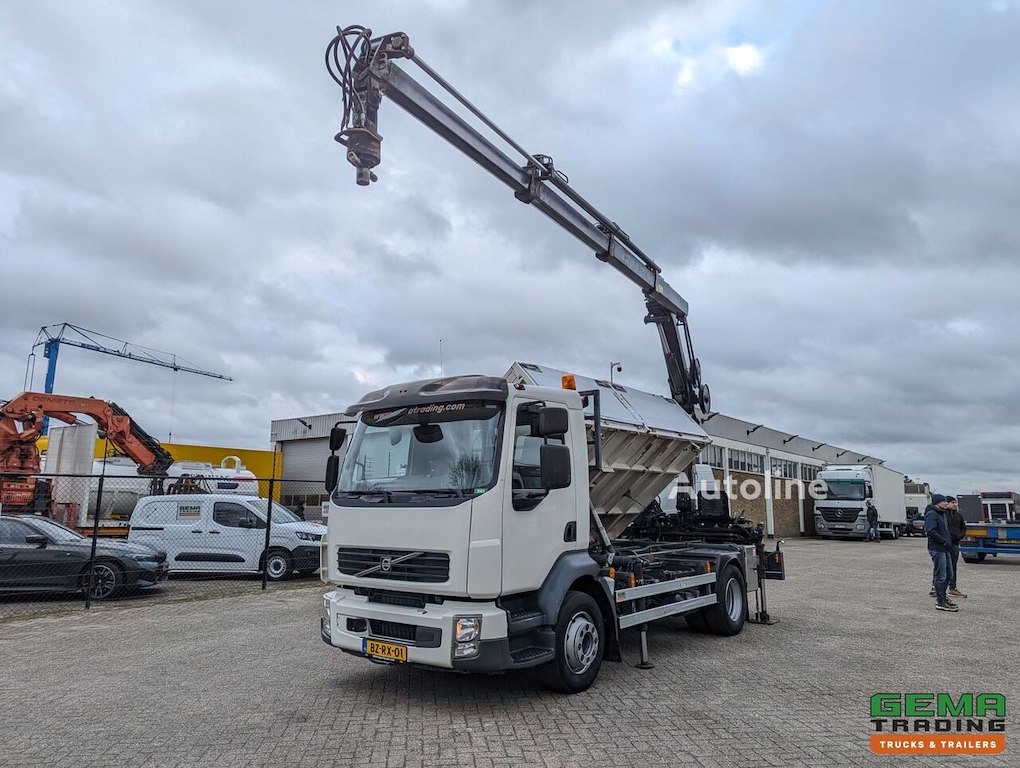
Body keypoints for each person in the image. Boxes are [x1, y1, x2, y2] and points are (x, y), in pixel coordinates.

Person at [924, 494, 958, 612]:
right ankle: (940, 600)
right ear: (937, 503)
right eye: (943, 501)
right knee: (941, 575)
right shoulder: (932, 514)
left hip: (945, 548)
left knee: (949, 574)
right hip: (937, 548)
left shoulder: (942, 514)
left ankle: (944, 597)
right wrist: (943, 541)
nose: (945, 503)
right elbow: (930, 531)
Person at [945, 496, 968, 598]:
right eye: (953, 502)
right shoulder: (942, 515)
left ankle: (953, 588)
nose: (955, 504)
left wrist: (959, 536)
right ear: (947, 503)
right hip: (944, 545)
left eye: (955, 502)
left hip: (955, 544)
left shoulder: (958, 515)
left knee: (953, 566)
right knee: (941, 566)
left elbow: (963, 528)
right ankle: (935, 587)